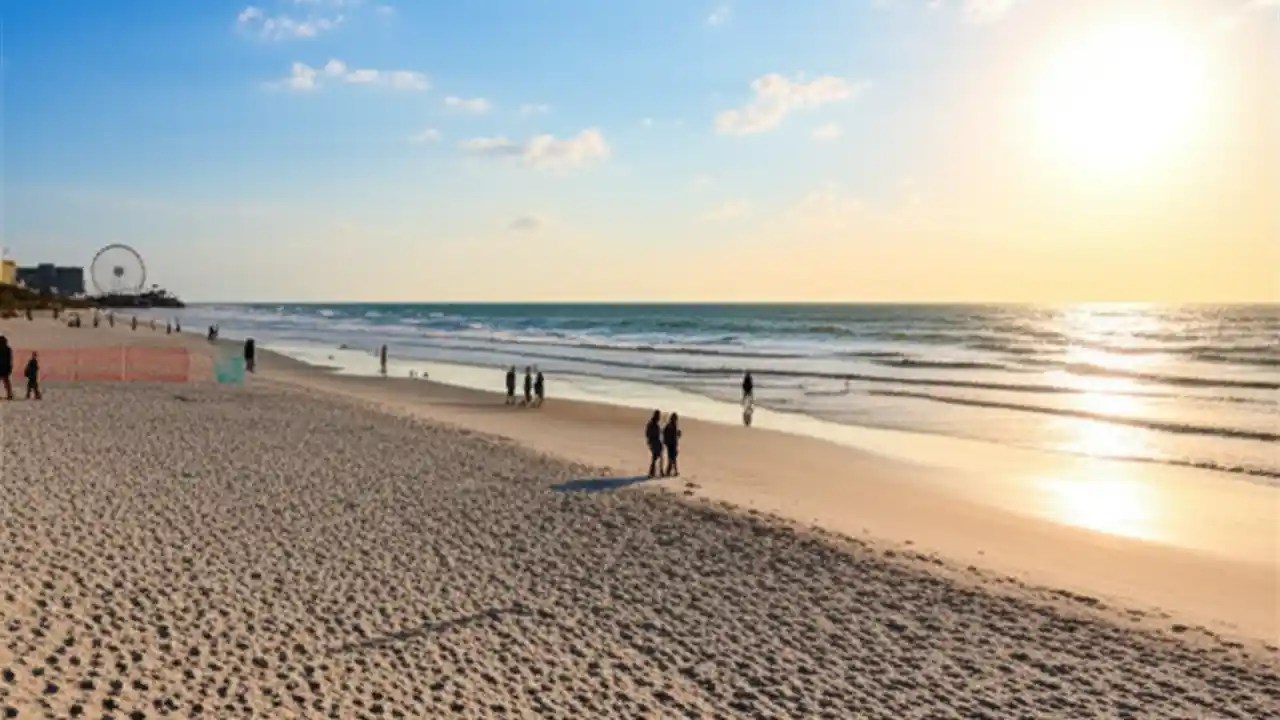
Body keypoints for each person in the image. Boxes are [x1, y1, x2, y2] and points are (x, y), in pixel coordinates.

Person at [645, 410, 664, 478]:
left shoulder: (652, 423)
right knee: (657, 457)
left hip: (654, 442)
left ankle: (654, 472)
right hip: (655, 442)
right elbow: (651, 433)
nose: (660, 417)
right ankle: (658, 472)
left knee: (655, 457)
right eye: (659, 416)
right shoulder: (653, 424)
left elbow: (647, 434)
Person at [0, 336, 12, 400]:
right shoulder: (8, 349)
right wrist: (10, 368)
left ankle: (9, 394)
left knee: (6, 382)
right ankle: (9, 395)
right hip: (5, 368)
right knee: (6, 382)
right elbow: (9, 359)